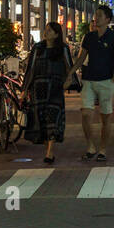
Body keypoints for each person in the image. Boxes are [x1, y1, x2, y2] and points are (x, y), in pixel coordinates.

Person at [66, 5, 114, 162]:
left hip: (106, 81)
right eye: (96, 15)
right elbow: (81, 58)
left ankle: (103, 149)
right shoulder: (89, 37)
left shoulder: (113, 37)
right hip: (88, 80)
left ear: (108, 19)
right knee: (85, 114)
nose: (96, 18)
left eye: (99, 16)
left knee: (106, 117)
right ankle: (90, 146)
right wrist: (71, 73)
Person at [20, 22, 73, 165]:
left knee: (52, 119)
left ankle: (50, 152)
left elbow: (70, 69)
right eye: (46, 29)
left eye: (50, 30)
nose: (46, 32)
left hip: (55, 89)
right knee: (41, 120)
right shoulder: (37, 48)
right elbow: (30, 70)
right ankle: (48, 148)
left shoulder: (63, 49)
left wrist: (66, 84)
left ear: (57, 34)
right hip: (38, 90)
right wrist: (24, 91)